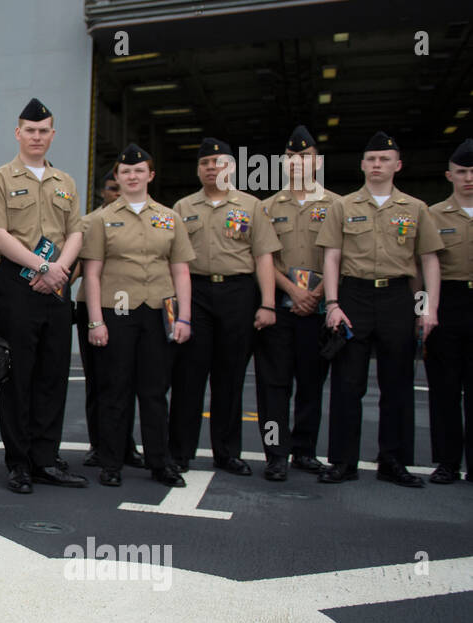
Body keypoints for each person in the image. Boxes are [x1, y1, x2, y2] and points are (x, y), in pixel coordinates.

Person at [318, 131, 442, 486]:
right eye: (371, 159)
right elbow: (332, 256)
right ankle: (343, 462)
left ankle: (394, 461)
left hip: (397, 299)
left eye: (384, 159)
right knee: (347, 385)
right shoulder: (342, 206)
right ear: (362, 164)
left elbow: (428, 261)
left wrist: (427, 308)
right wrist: (332, 303)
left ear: (397, 165)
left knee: (398, 385)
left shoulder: (416, 209)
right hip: (353, 297)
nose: (377, 165)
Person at [0, 98, 87, 494]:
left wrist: (59, 271)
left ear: (52, 135)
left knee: (53, 374)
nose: (37, 137)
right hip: (17, 287)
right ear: (18, 133)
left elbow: (76, 232)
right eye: (30, 130)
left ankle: (47, 459)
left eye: (44, 131)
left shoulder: (66, 183)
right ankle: (19, 463)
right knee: (17, 375)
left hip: (57, 286)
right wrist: (42, 267)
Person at [80, 144, 193, 488]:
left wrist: (185, 317)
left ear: (150, 175)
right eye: (125, 171)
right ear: (117, 176)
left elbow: (180, 270)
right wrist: (95, 321)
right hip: (118, 313)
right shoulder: (102, 218)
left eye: (139, 170)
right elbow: (92, 273)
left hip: (157, 312)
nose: (132, 176)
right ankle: (112, 462)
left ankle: (161, 462)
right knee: (115, 390)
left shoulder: (169, 217)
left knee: (155, 391)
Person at [168, 137, 280, 475]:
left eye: (218, 163)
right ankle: (180, 451)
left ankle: (227, 452)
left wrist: (269, 304)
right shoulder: (182, 208)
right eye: (205, 164)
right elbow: (173, 261)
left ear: (231, 167)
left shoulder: (252, 206)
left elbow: (263, 257)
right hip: (196, 294)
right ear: (198, 169)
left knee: (230, 377)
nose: (211, 168)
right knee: (188, 376)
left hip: (238, 293)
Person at [253, 126, 339, 481]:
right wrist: (293, 289)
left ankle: (304, 451)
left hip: (318, 310)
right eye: (291, 159)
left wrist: (317, 295)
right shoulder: (266, 208)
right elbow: (263, 257)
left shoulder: (337, 205)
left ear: (316, 162)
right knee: (274, 387)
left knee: (310, 384)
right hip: (281, 309)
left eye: (304, 157)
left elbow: (343, 257)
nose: (298, 163)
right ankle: (276, 454)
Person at [72, 169, 142, 470]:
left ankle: (125, 444)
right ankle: (99, 444)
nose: (117, 192)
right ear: (103, 191)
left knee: (127, 382)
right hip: (94, 306)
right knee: (99, 382)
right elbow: (75, 268)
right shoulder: (88, 223)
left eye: (120, 186)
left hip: (130, 307)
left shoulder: (144, 221)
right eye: (112, 187)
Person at [423, 138, 473, 484]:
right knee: (444, 388)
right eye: (462, 172)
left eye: (472, 172)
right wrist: (425, 311)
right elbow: (423, 268)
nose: (469, 178)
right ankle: (447, 462)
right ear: (449, 175)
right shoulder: (433, 215)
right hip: (448, 302)